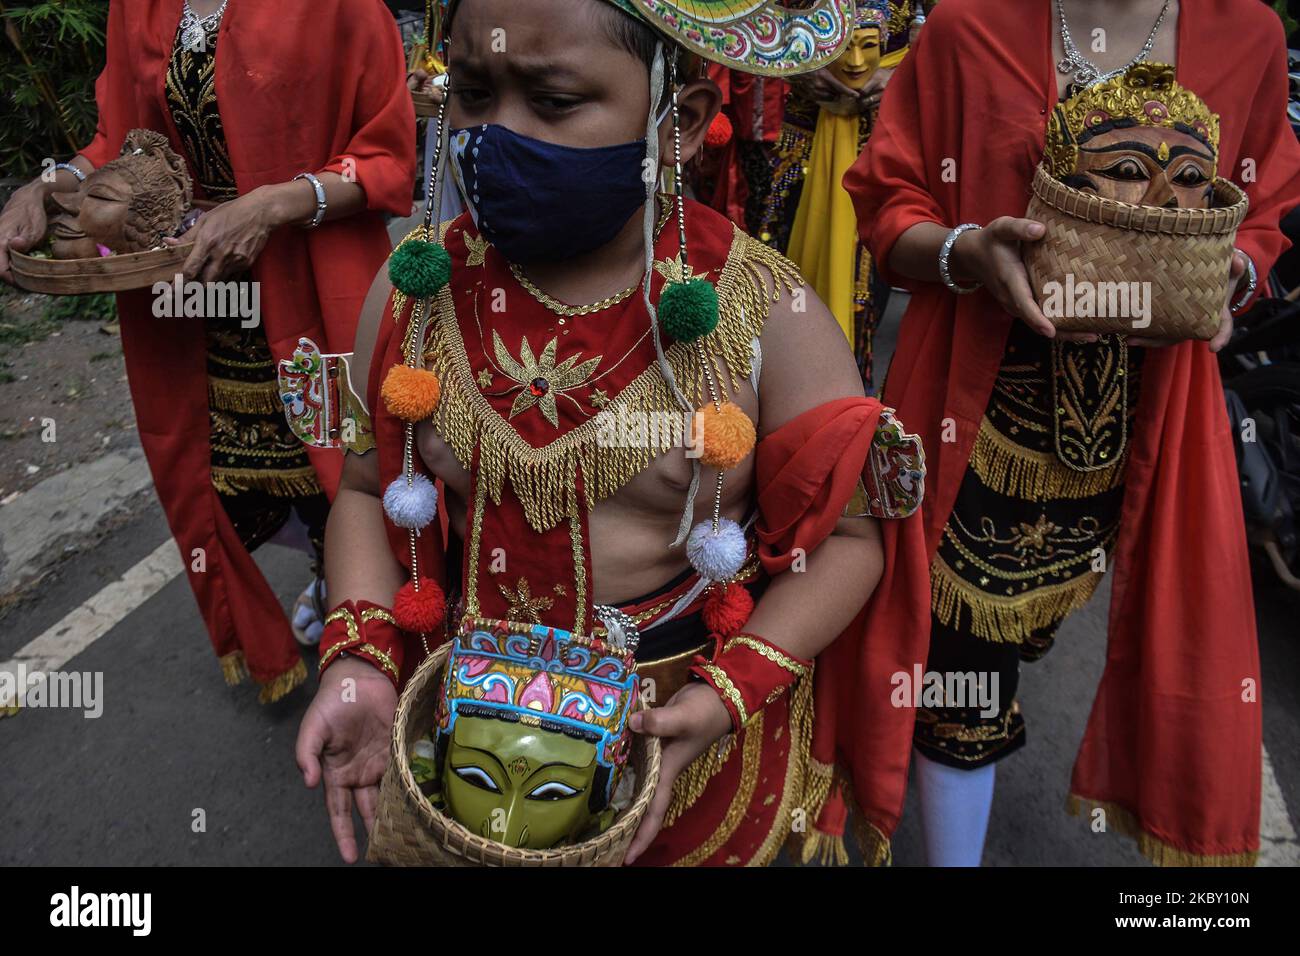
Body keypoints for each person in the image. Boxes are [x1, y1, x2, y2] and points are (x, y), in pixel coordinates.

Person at [294, 0, 930, 866]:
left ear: (681, 122)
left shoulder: (765, 313)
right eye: (474, 94)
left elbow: (851, 542)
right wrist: (358, 658)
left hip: (680, 743)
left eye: (552, 102)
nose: (494, 135)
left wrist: (719, 701)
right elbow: (367, 492)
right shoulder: (413, 292)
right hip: (463, 747)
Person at [847, 0, 1300, 865]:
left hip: (1158, 425)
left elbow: (1263, 208)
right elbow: (889, 204)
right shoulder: (967, 27)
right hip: (983, 420)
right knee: (963, 678)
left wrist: (1223, 275)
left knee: (1176, 644)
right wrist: (969, 252)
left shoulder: (1249, 36)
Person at [0, 0, 416, 702]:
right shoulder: (139, 6)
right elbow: (119, 146)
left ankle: (379, 628)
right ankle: (328, 580)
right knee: (230, 481)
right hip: (198, 305)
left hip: (312, 292)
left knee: (345, 471)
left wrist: (270, 205)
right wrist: (48, 185)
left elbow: (385, 160)